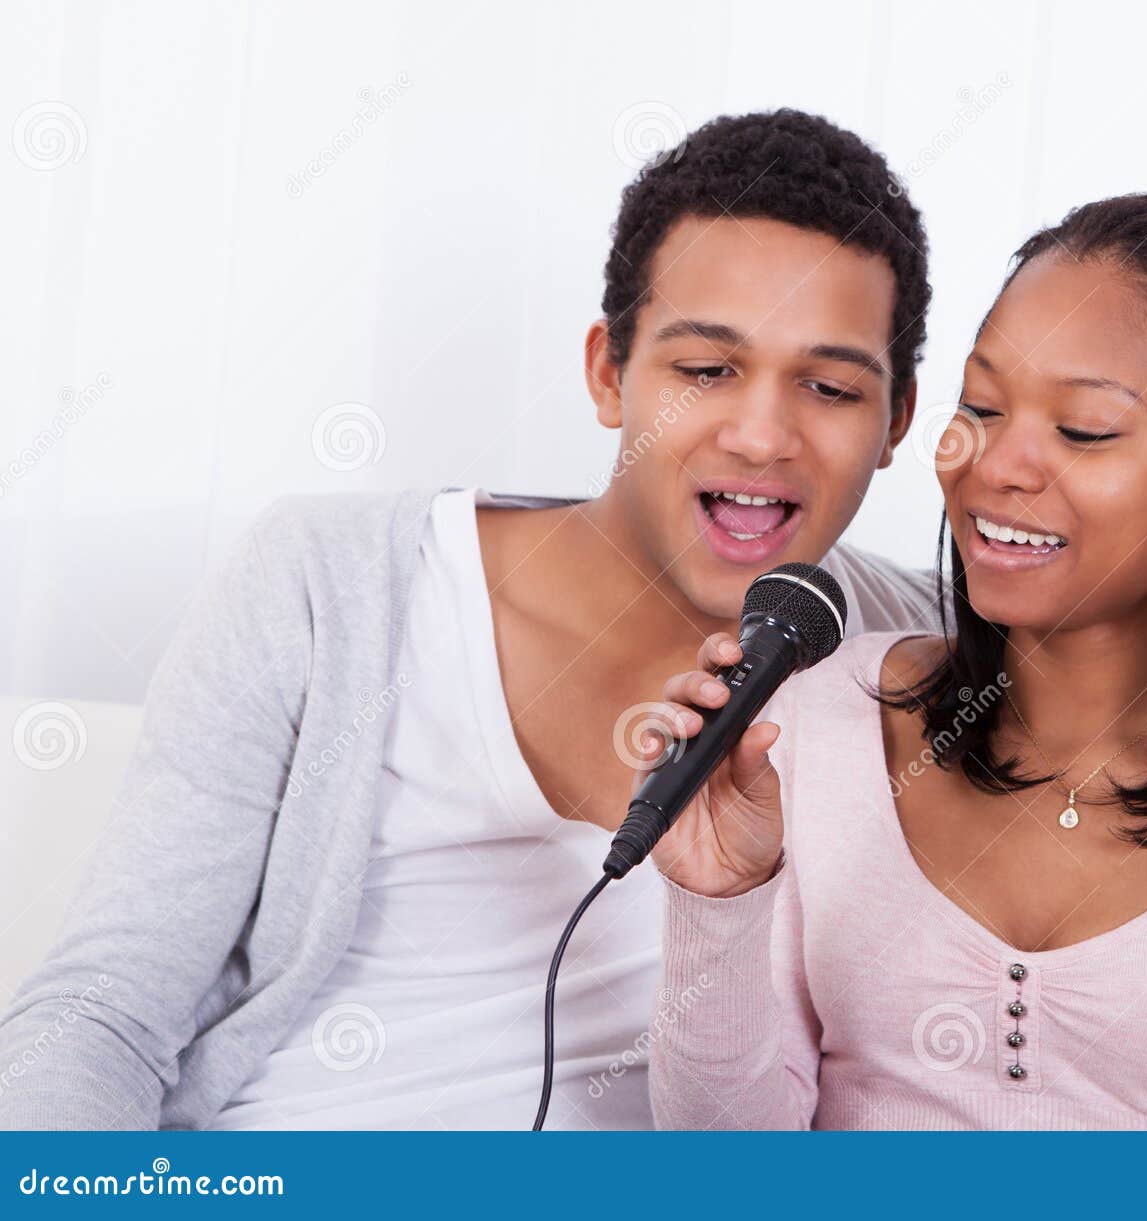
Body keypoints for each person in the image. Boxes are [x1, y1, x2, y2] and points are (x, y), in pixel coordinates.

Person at [0, 109, 943, 1131]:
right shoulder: (333, 584)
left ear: (894, 421)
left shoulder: (931, 654)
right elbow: (102, 1014)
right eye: (706, 370)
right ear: (606, 372)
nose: (763, 434)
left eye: (830, 386)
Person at [643, 193, 1147, 1130]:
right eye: (980, 405)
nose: (995, 463)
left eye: (1084, 429)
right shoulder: (819, 716)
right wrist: (719, 902)